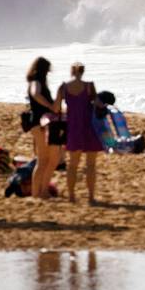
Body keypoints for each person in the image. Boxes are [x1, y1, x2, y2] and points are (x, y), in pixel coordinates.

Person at [56, 62, 102, 203]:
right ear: (83, 72)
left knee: (72, 164)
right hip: (89, 127)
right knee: (91, 165)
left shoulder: (63, 87)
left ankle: (71, 196)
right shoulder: (89, 86)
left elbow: (56, 107)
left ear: (71, 72)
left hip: (73, 127)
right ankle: (91, 197)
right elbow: (98, 105)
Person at [26, 57, 62, 200]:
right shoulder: (36, 82)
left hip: (43, 123)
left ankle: (42, 191)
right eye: (47, 71)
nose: (48, 73)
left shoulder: (39, 82)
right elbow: (35, 94)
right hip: (39, 123)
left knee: (52, 159)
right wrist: (49, 105)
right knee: (44, 160)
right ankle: (39, 193)